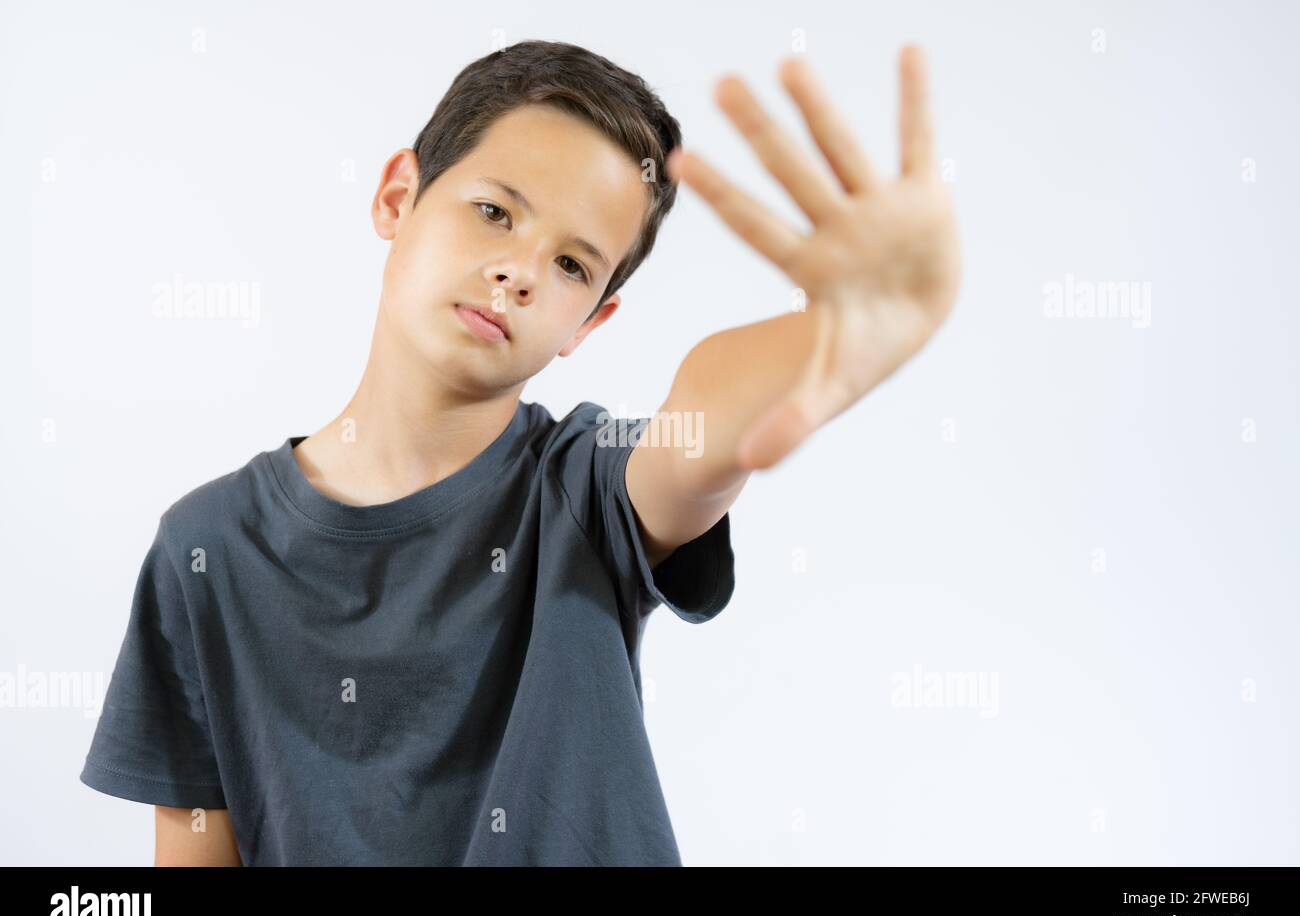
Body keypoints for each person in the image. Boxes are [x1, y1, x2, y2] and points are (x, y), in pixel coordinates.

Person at [79, 38, 961, 866]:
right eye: (494, 212)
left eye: (574, 266)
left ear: (591, 323)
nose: (522, 271)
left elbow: (693, 429)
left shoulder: (583, 485)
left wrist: (838, 329)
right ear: (398, 197)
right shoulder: (206, 548)